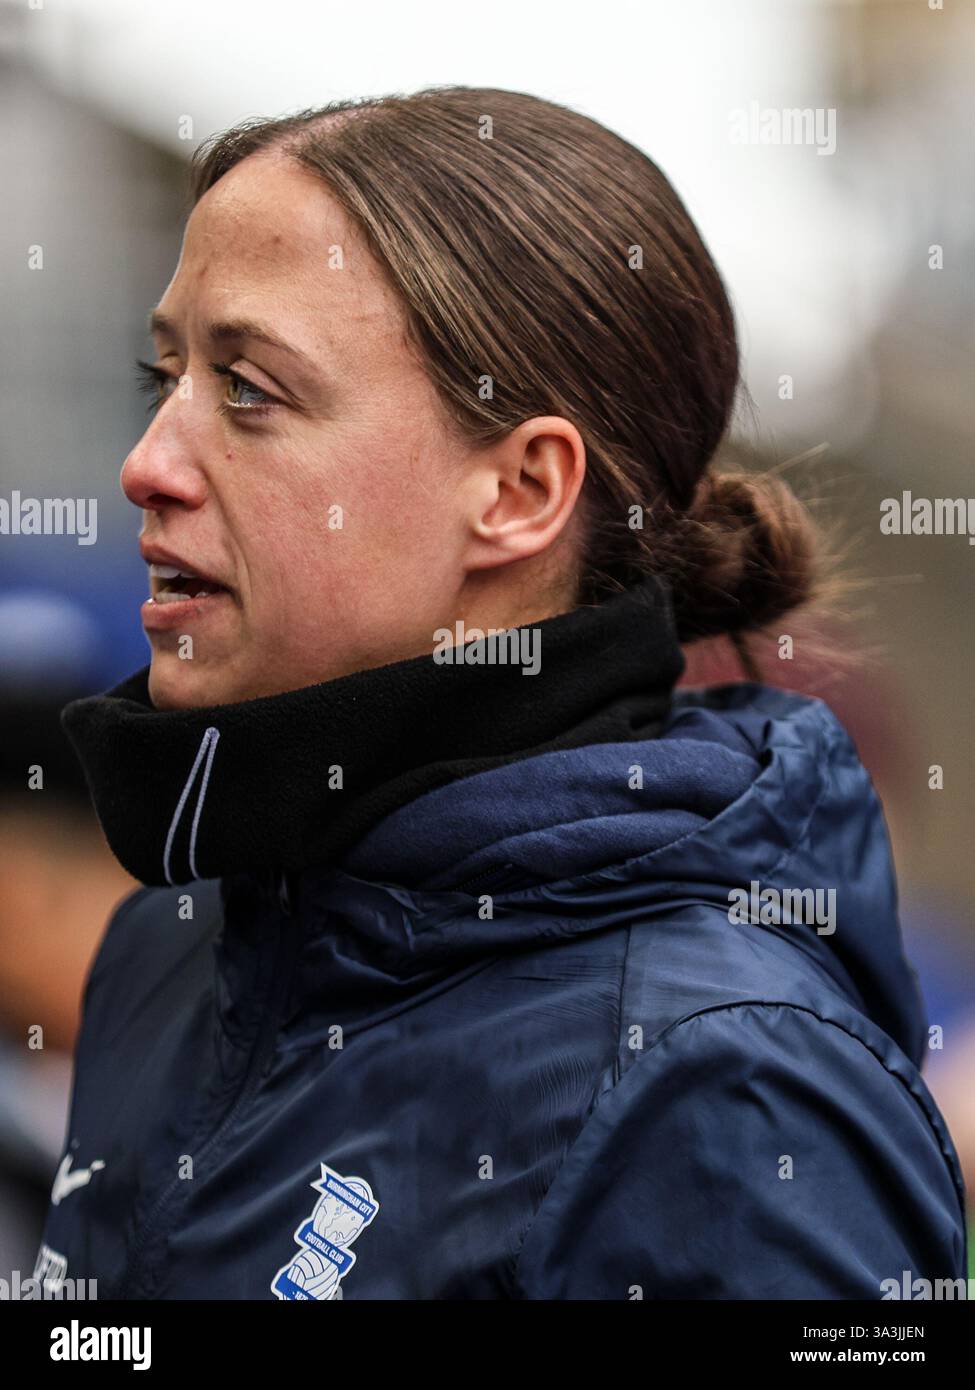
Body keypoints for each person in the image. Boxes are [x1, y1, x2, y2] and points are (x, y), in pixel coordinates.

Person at [37, 86, 966, 1300]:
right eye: (162, 375)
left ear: (522, 492)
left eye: (250, 389)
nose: (148, 463)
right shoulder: (174, 941)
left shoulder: (726, 1085)